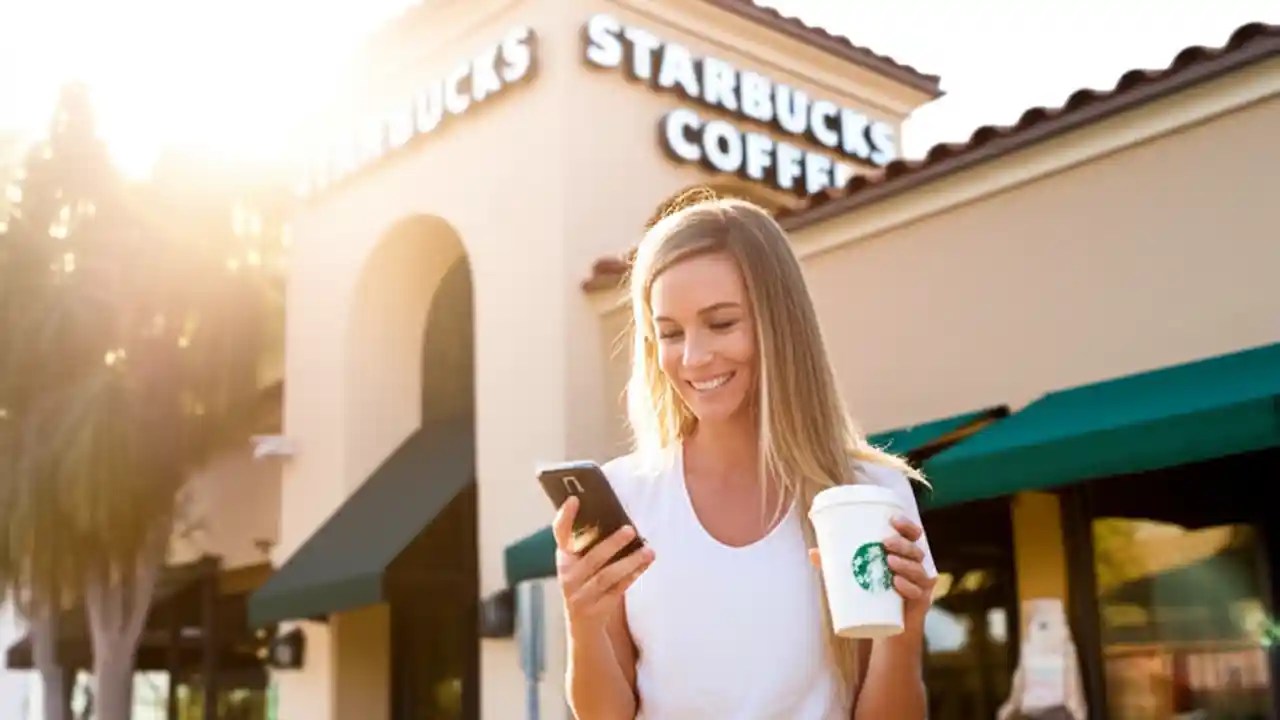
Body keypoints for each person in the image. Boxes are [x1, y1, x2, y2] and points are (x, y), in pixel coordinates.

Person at [553, 193, 938, 720]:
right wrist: (583, 621)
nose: (693, 358)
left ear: (778, 324)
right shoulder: (625, 498)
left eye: (722, 323)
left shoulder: (865, 497)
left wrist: (905, 629)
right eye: (669, 333)